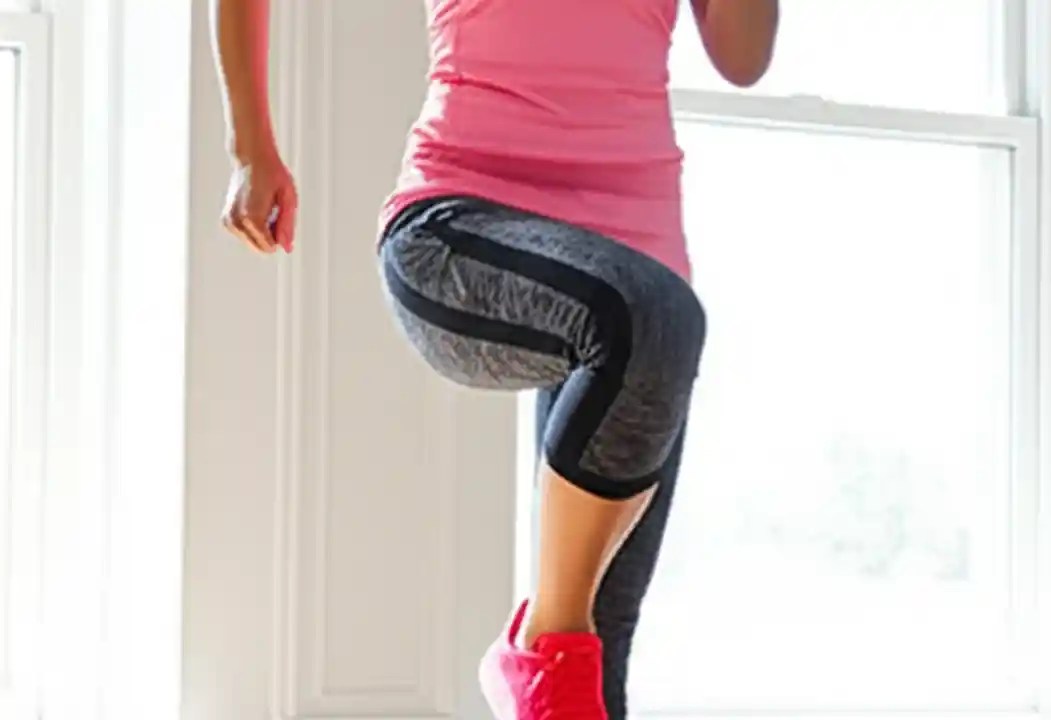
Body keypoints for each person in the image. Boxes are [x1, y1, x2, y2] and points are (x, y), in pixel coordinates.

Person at [212, 0, 778, 716]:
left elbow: (743, 57)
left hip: (640, 266)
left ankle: (552, 651)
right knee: (654, 320)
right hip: (458, 220)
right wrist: (250, 146)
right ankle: (542, 644)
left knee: (598, 665)